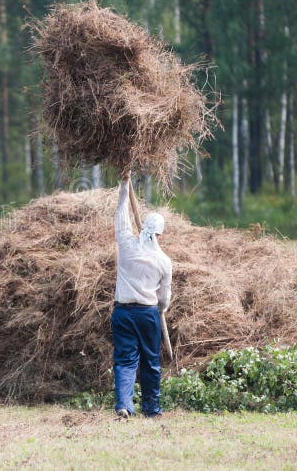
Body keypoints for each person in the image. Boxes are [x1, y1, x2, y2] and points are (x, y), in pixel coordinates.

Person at [112, 171, 172, 419]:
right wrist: (162, 309)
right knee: (150, 362)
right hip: (148, 314)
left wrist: (125, 187)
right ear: (160, 235)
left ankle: (124, 405)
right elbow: (164, 298)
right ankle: (152, 409)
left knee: (125, 361)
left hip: (123, 312)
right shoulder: (164, 261)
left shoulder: (126, 244)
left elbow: (120, 216)